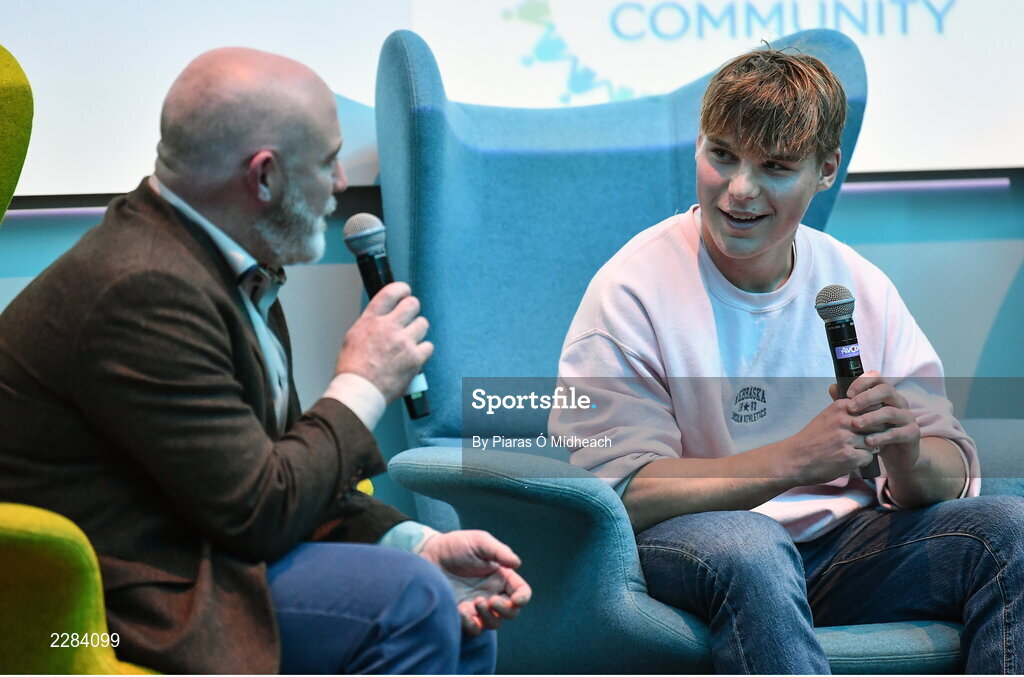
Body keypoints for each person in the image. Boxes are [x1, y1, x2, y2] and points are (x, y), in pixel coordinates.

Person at [0, 47, 530, 674]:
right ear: (264, 177)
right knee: (411, 601)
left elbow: (281, 470)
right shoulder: (141, 291)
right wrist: (361, 384)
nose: (338, 186)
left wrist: (416, 543)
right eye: (329, 163)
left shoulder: (227, 269)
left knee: (450, 598)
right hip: (130, 603)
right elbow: (258, 512)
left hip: (213, 551)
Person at [550, 47, 1022, 673]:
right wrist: (794, 460)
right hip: (691, 548)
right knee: (753, 543)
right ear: (699, 146)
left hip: (842, 551)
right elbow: (619, 491)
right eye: (722, 155)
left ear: (825, 171)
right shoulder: (632, 290)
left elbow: (948, 474)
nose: (739, 190)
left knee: (1011, 530)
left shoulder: (855, 284)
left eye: (774, 166)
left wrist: (904, 451)